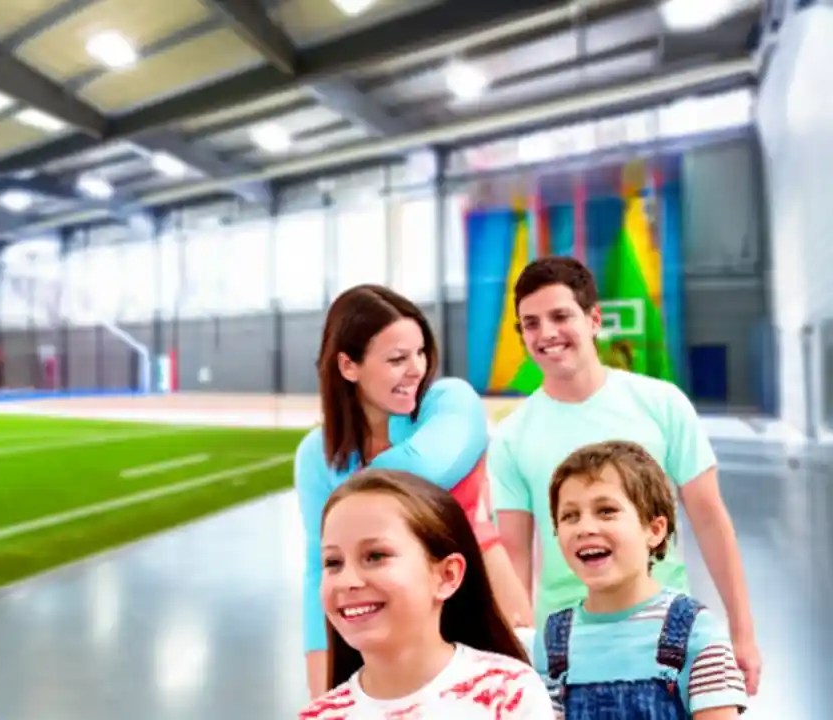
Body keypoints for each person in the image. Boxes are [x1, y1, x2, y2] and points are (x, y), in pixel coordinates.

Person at [489, 256, 760, 694]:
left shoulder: (661, 404)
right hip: (567, 653)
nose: (547, 334)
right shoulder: (511, 437)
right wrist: (515, 658)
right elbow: (514, 558)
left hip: (664, 638)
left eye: (560, 316)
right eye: (531, 324)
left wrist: (742, 630)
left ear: (593, 319)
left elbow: (710, 519)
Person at [294, 283, 533, 698]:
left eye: (420, 353)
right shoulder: (317, 453)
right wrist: (323, 685)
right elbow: (320, 564)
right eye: (397, 359)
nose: (417, 369)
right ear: (349, 366)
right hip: (386, 622)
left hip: (479, 598)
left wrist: (349, 508)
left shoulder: (450, 402)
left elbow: (423, 469)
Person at [299, 469, 555, 719]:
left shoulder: (509, 692)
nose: (348, 581)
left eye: (376, 556)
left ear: (447, 576)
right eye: (333, 562)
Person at [533, 441, 748, 719]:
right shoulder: (550, 643)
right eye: (570, 516)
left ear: (655, 530)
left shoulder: (697, 634)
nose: (585, 528)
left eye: (606, 510)